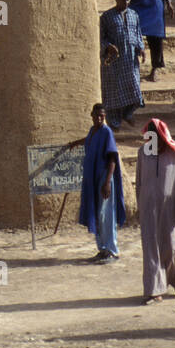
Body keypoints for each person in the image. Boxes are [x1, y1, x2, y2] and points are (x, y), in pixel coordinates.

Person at [135, 117, 175, 303]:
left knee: (172, 247)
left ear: (162, 136)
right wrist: (141, 205)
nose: (153, 140)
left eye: (156, 136)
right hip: (149, 210)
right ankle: (154, 290)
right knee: (151, 249)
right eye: (150, 136)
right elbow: (139, 181)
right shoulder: (142, 153)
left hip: (171, 211)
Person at [69, 103, 126, 262]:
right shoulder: (93, 131)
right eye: (97, 115)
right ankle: (102, 249)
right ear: (92, 115)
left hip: (103, 179)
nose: (100, 118)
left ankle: (112, 251)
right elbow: (88, 140)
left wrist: (107, 182)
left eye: (103, 115)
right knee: (98, 214)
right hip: (93, 179)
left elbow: (112, 159)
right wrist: (74, 143)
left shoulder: (107, 132)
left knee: (106, 215)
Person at [99, 0, 145, 129]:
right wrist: (108, 47)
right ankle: (114, 121)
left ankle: (128, 113)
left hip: (130, 59)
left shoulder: (134, 15)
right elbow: (100, 37)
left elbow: (138, 34)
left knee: (134, 87)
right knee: (114, 91)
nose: (126, 2)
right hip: (114, 61)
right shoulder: (106, 17)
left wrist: (141, 48)